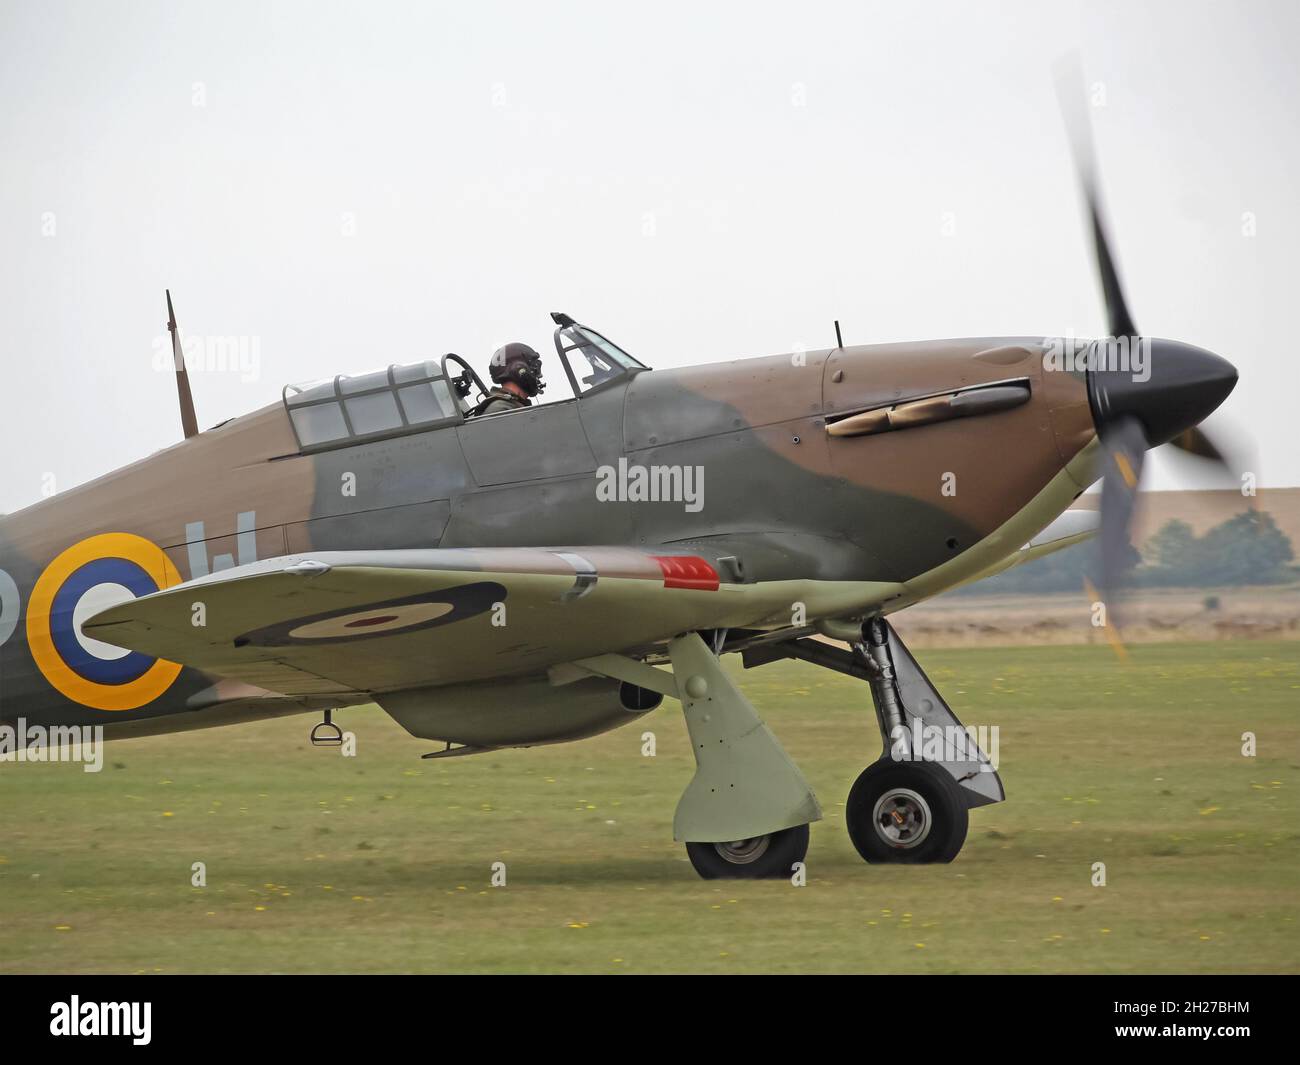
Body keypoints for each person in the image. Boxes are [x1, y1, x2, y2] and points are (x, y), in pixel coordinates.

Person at [473, 342, 546, 416]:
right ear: (520, 370)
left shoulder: (512, 407)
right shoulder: (501, 410)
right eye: (535, 369)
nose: (539, 376)